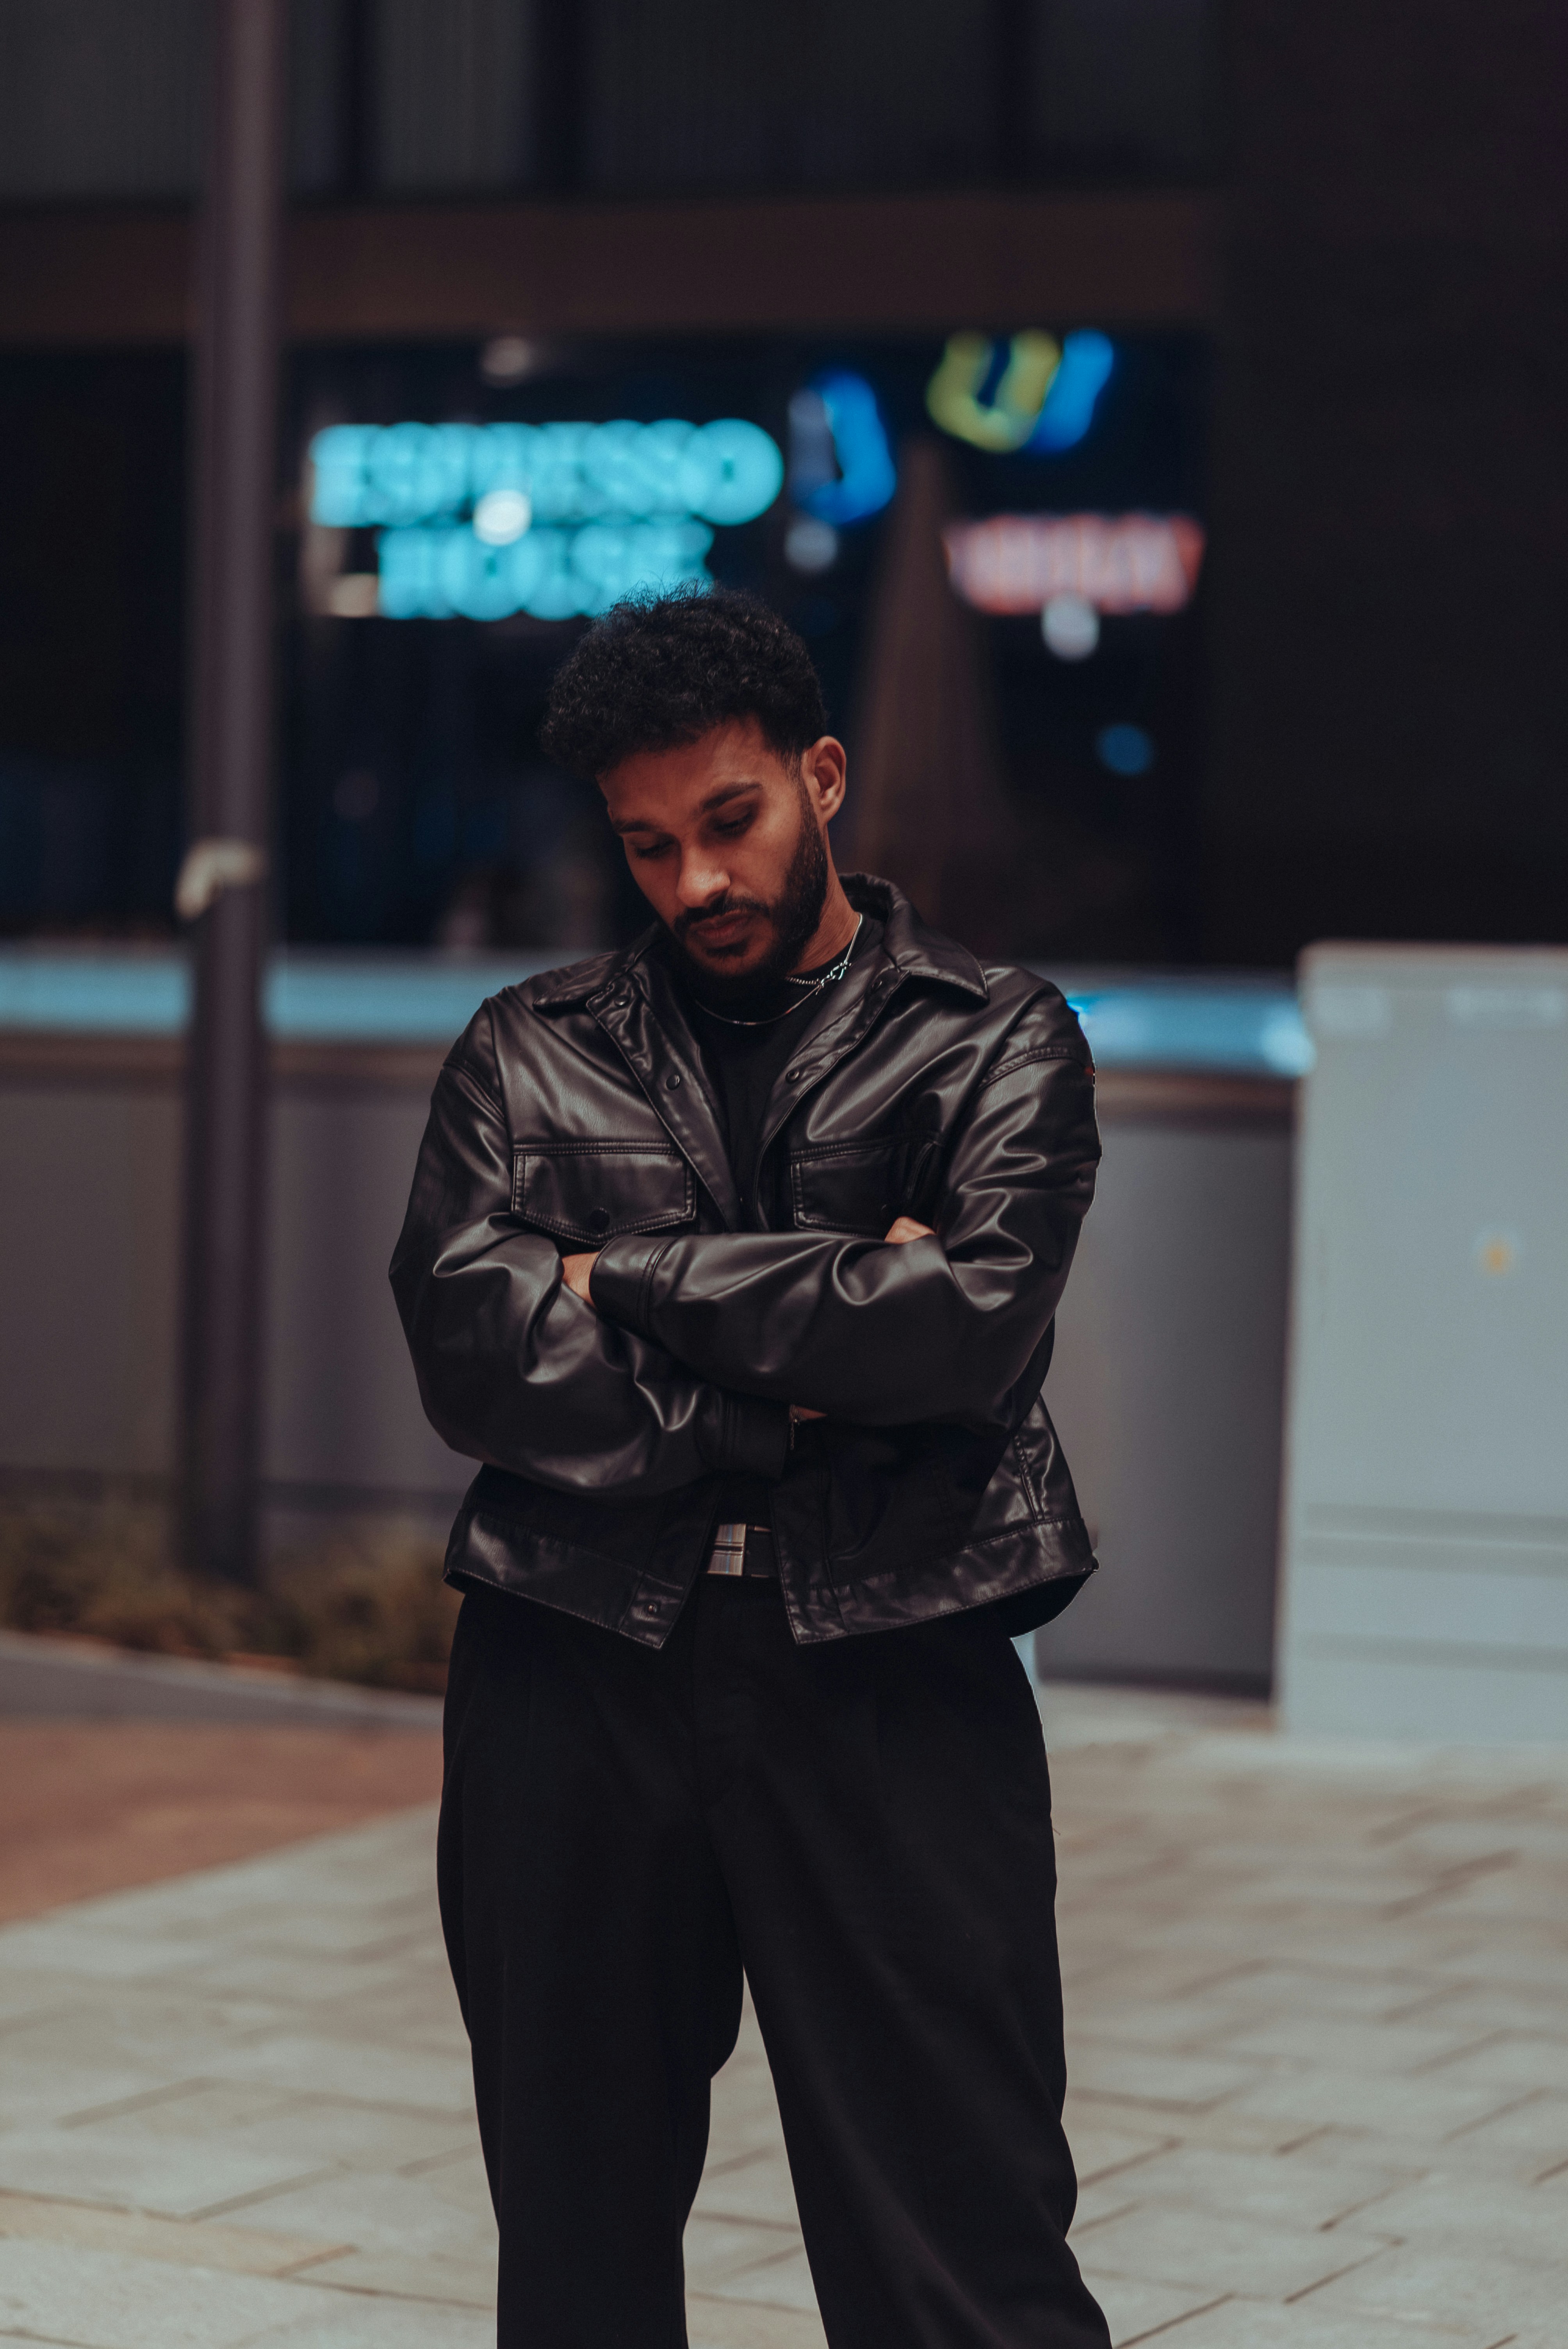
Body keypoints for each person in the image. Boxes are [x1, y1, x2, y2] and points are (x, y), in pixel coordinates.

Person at [391, 586, 1111, 2349]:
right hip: (569, 1668)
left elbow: (955, 1331)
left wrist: (622, 1275)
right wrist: (780, 1387)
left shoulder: (993, 1036)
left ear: (822, 773)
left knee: (962, 2244)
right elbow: (475, 1347)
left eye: (729, 822)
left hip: (889, 1661)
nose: (694, 881)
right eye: (648, 848)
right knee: (574, 2245)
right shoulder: (524, 1049)